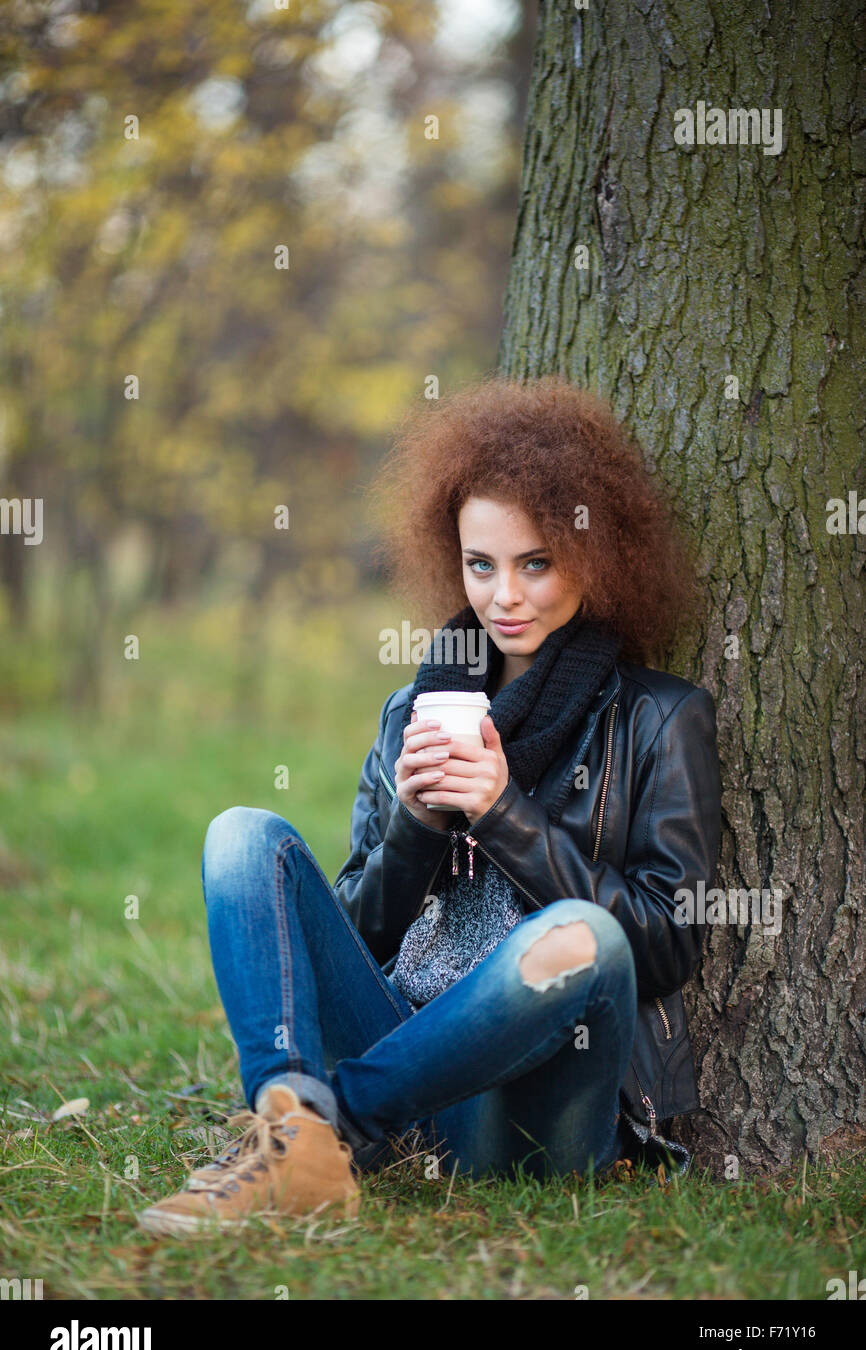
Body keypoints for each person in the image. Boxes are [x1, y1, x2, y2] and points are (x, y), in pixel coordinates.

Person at [138, 375, 721, 1237]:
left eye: (536, 563)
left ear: (595, 559)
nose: (503, 597)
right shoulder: (414, 710)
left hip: (528, 1110)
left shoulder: (660, 717)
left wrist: (503, 813)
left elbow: (665, 944)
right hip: (395, 1040)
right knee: (241, 836)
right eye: (480, 564)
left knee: (583, 938)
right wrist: (414, 828)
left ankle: (322, 1134)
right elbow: (355, 938)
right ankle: (292, 1120)